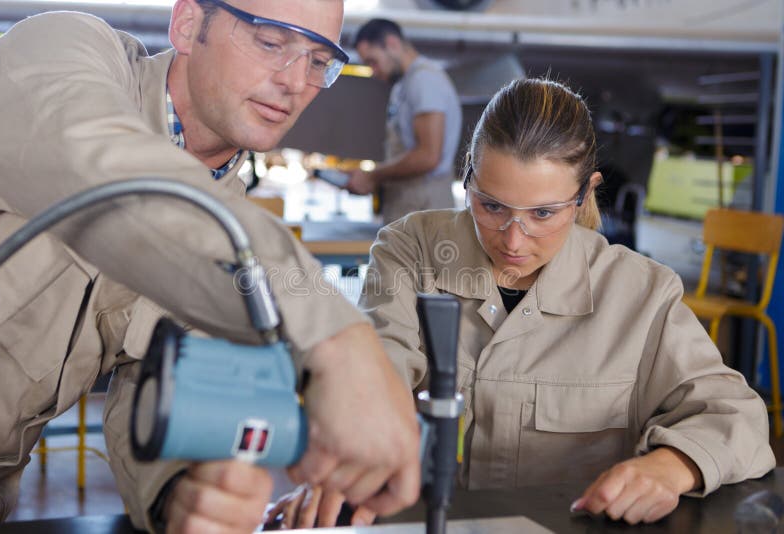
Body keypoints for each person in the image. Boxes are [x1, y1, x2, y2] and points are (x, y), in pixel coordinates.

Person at [0, 0, 420, 531]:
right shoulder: (59, 52)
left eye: (317, 59)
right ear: (188, 24)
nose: (295, 81)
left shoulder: (225, 265)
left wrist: (181, 493)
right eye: (271, 41)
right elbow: (109, 178)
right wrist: (337, 337)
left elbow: (162, 394)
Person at [269, 77, 776, 528]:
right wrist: (347, 460)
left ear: (585, 195)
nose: (514, 239)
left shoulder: (640, 294)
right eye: (491, 205)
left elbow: (737, 418)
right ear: (467, 175)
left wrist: (671, 467)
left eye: (543, 213)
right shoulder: (413, 250)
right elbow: (379, 370)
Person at [347, 18, 462, 224]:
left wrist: (373, 176)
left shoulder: (425, 80)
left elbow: (428, 156)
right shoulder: (403, 85)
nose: (373, 71)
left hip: (425, 204)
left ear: (392, 44)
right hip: (410, 202)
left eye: (373, 61)